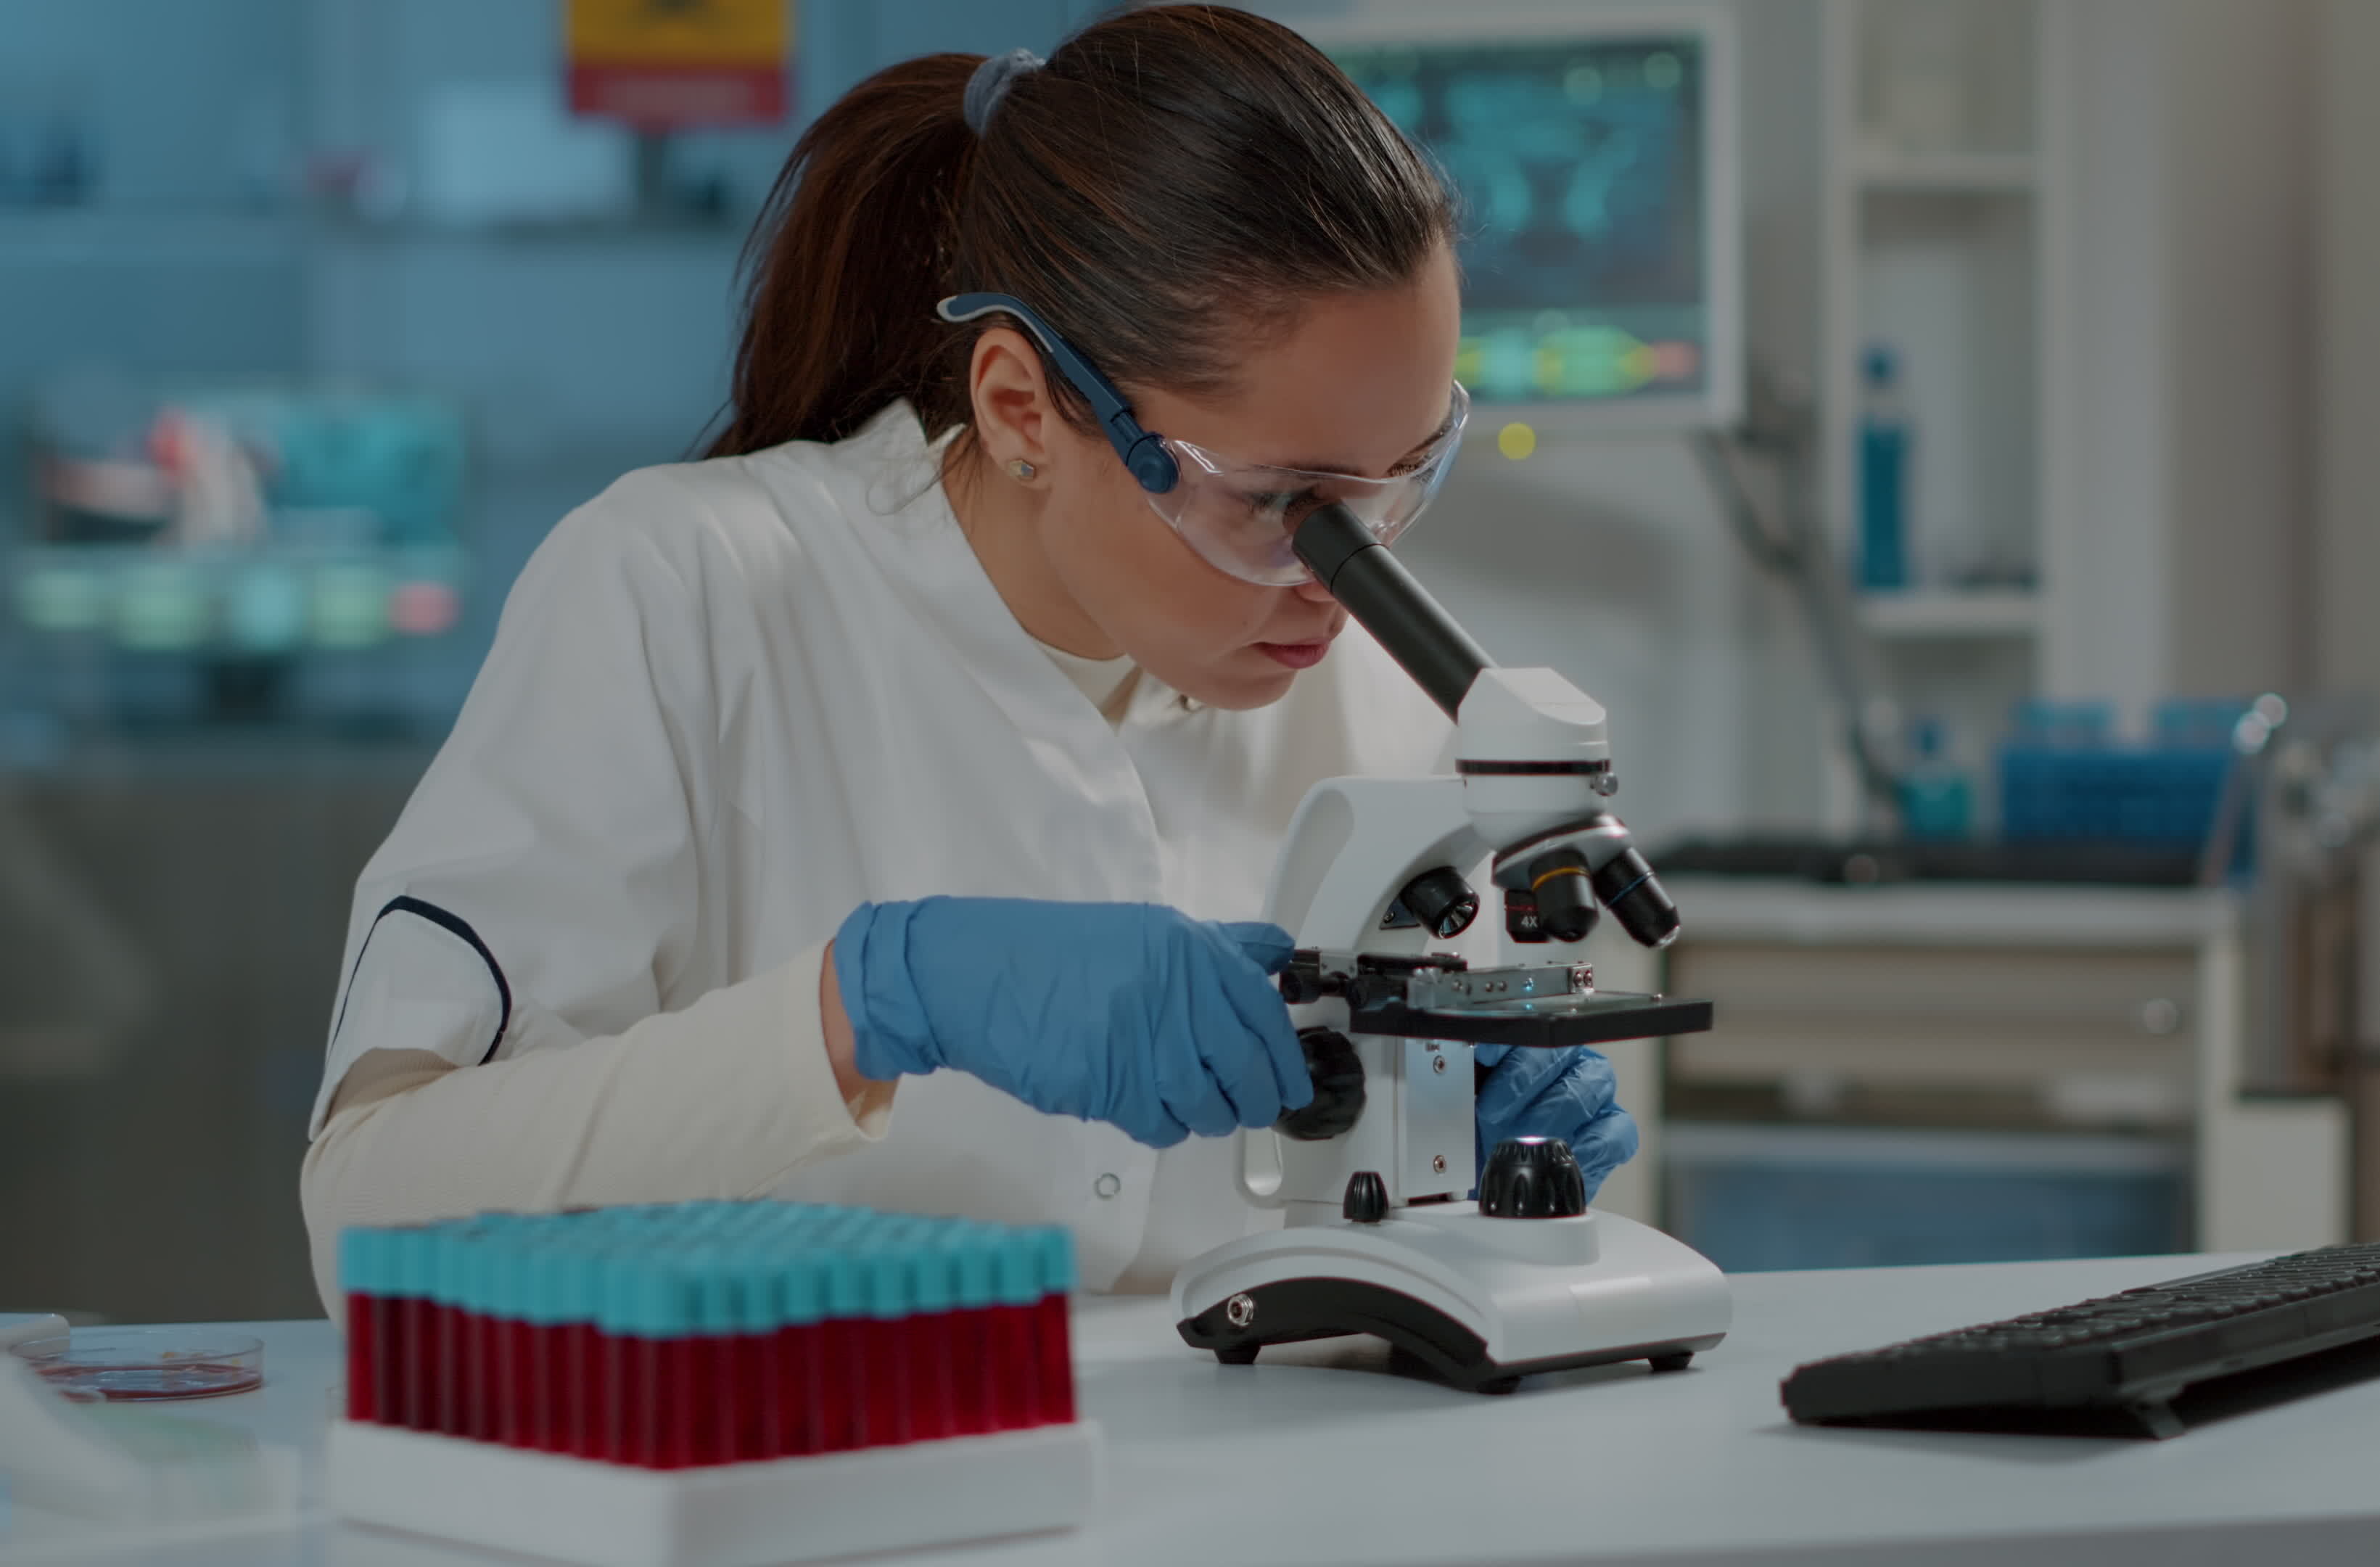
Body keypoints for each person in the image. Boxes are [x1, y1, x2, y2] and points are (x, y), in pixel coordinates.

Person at [297, 6, 1636, 1318]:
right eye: (1279, 503)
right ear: (1020, 408)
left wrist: (1493, 1165)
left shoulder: (1393, 697)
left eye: (1401, 482)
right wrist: (867, 1009)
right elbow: (367, 1223)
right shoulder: (680, 589)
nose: (1342, 586)